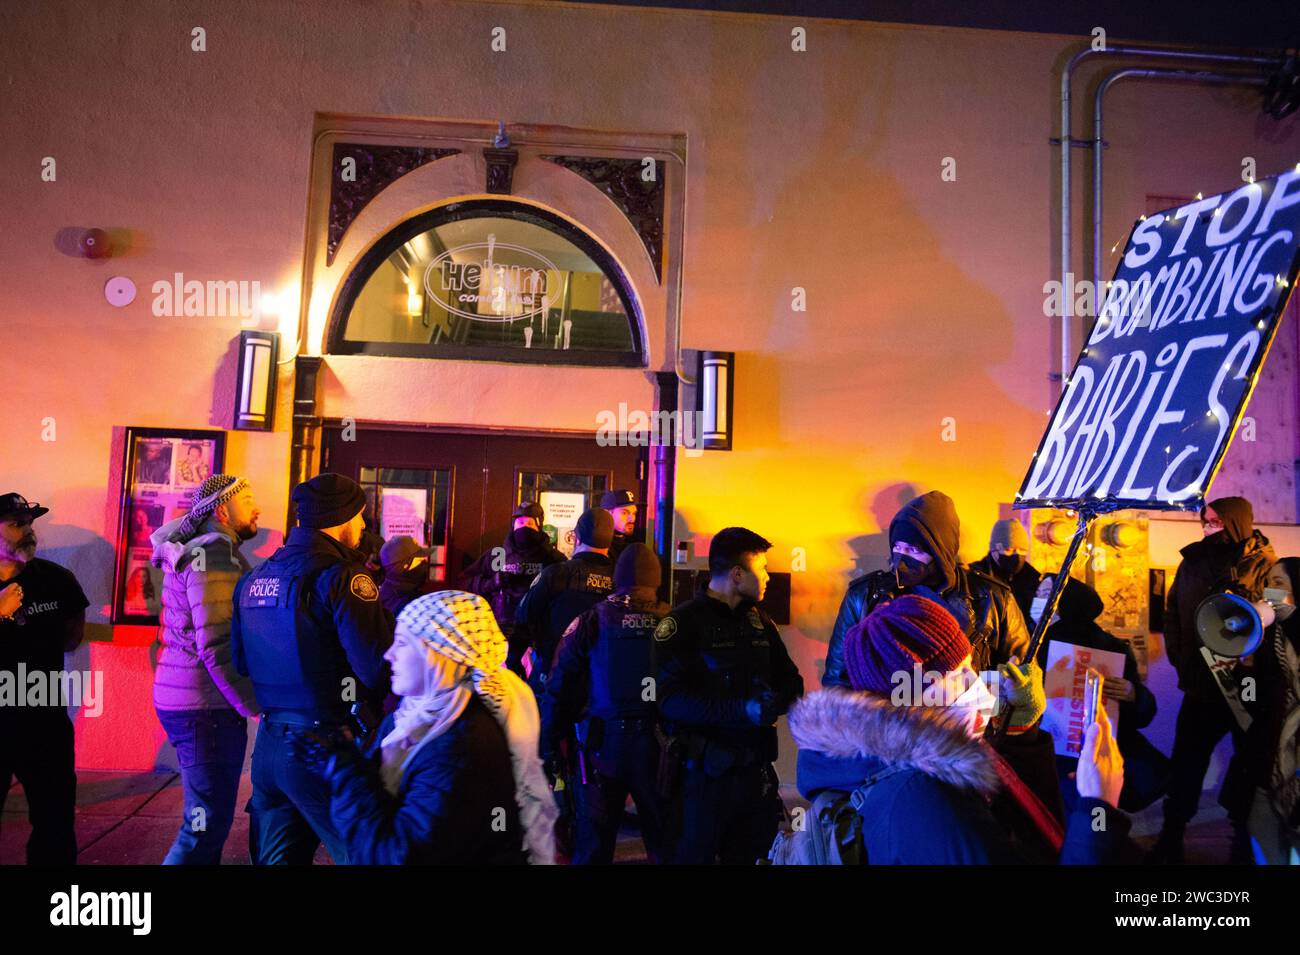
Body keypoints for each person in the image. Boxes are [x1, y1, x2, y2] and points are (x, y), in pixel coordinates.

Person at [790, 594, 1130, 864]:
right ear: (911, 697)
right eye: (957, 676)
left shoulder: (919, 764)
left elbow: (1021, 840)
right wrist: (1098, 809)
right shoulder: (919, 798)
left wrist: (1021, 733)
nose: (978, 684)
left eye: (970, 666)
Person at [306, 591, 557, 864]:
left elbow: (398, 856)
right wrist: (345, 762)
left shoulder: (461, 747)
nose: (389, 654)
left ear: (439, 655)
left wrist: (346, 775)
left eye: (402, 643)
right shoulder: (410, 716)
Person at [231, 473, 395, 864]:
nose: (363, 527)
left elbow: (240, 662)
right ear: (341, 518)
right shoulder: (344, 577)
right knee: (370, 855)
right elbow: (376, 670)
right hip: (324, 744)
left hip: (269, 746)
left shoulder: (254, 577)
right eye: (359, 517)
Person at [1149, 496, 1291, 864]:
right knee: (1186, 764)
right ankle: (1171, 837)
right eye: (1205, 521)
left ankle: (1242, 842)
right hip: (1200, 685)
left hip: (1247, 688)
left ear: (1234, 522)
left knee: (1249, 765)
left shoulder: (1268, 567)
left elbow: (1278, 620)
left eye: (1214, 521)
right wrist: (1182, 664)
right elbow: (1173, 615)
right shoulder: (1192, 562)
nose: (1207, 527)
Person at [654, 526, 804, 864]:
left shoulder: (760, 623)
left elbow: (792, 682)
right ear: (737, 574)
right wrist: (740, 710)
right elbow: (669, 700)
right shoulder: (682, 625)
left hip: (756, 776)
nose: (768, 577)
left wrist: (773, 703)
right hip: (703, 778)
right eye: (762, 568)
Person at [149, 475, 263, 865]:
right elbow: (216, 643)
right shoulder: (212, 554)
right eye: (246, 499)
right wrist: (254, 703)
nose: (256, 508)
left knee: (206, 820)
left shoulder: (205, 551)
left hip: (192, 700)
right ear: (221, 510)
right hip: (204, 706)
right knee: (203, 824)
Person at [541, 543, 670, 864]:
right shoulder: (673, 621)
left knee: (593, 843)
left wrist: (549, 744)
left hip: (601, 746)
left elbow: (560, 686)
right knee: (666, 840)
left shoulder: (591, 620)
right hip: (660, 747)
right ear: (655, 579)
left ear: (617, 577)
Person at [824, 491, 1030, 687]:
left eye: (913, 550)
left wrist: (998, 705)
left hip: (967, 720)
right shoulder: (865, 596)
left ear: (941, 553)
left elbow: (1021, 677)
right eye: (897, 547)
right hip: (890, 722)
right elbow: (837, 680)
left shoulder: (994, 599)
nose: (902, 558)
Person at [0, 492, 89, 865]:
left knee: (55, 826)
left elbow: (72, 635)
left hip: (44, 719)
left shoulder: (57, 579)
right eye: (18, 524)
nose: (29, 531)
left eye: (30, 523)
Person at [1032, 576, 1165, 815]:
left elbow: (1142, 716)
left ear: (1067, 601)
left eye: (1045, 593)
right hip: (1048, 755)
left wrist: (1133, 694)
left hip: (1091, 754)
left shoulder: (1110, 648)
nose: (1038, 600)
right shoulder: (1032, 643)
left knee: (1091, 818)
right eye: (1038, 594)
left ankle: (1092, 844)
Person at [512, 508, 615, 689]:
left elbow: (525, 618)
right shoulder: (618, 580)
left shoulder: (556, 573)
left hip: (553, 675)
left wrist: (513, 663)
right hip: (603, 680)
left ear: (577, 538)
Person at [459, 502, 563, 640]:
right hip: (498, 631)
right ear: (513, 525)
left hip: (537, 633)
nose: (524, 528)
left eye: (530, 524)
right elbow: (464, 582)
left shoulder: (552, 558)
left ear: (539, 527)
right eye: (520, 523)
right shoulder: (497, 555)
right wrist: (492, 582)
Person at [970, 518, 1041, 629]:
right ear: (994, 550)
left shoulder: (1034, 579)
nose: (1017, 556)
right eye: (1009, 549)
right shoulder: (975, 576)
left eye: (1022, 550)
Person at [378, 535, 433, 617]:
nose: (424, 562)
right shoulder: (408, 605)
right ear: (405, 565)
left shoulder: (386, 592)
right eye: (420, 560)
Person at [600, 490, 639, 564]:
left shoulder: (635, 546)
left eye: (634, 513)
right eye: (625, 513)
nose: (632, 519)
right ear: (607, 514)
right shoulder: (597, 546)